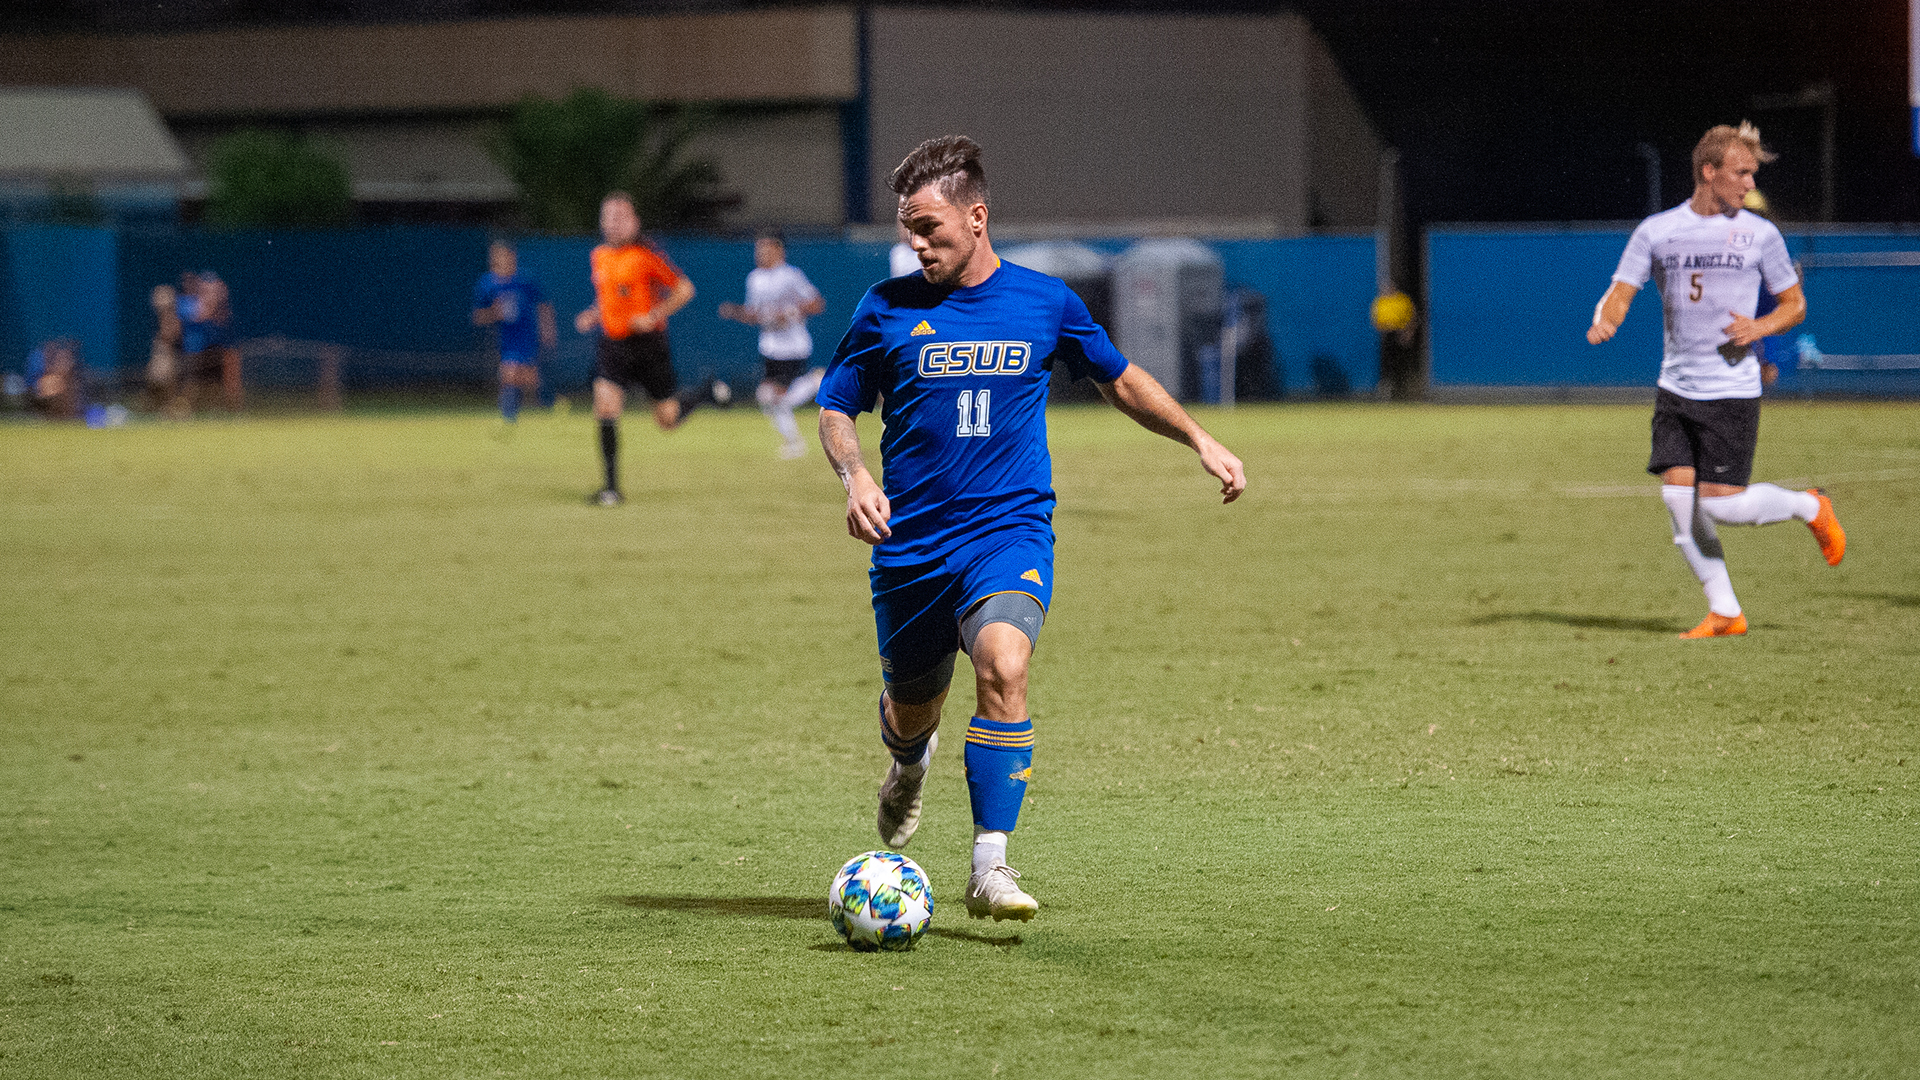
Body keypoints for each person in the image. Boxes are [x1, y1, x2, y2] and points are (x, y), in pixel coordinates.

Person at [817, 136, 1247, 922]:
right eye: (908, 229)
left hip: (1007, 532)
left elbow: (1119, 379)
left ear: (977, 218)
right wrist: (855, 477)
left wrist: (1199, 438)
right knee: (912, 712)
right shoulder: (884, 308)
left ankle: (991, 867)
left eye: (930, 228)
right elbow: (836, 406)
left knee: (1003, 664)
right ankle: (909, 765)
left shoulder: (1046, 302)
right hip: (909, 547)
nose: (916, 244)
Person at [1587, 122, 1845, 638]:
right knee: (1677, 499)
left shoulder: (1761, 235)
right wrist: (1608, 318)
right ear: (1709, 172)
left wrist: (1758, 327)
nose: (1749, 184)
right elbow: (1621, 288)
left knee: (1724, 505)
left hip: (1730, 392)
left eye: (1752, 173)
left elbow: (1795, 305)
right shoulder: (1657, 231)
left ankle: (1809, 505)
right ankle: (1725, 610)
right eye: (1741, 173)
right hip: (1676, 388)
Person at [573, 192, 727, 506]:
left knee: (667, 420)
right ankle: (611, 489)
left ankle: (705, 392)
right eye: (608, 217)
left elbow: (685, 289)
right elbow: (609, 297)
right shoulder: (599, 255)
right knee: (605, 406)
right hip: (613, 345)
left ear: (634, 222)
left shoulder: (646, 256)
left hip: (649, 347)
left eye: (621, 217)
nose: (613, 224)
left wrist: (655, 315)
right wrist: (594, 313)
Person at [719, 230, 827, 458]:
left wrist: (790, 313)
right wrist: (735, 312)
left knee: (777, 398)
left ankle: (816, 383)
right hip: (770, 346)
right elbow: (755, 314)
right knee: (767, 397)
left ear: (779, 250)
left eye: (766, 248)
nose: (760, 253)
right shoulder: (755, 278)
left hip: (794, 346)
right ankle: (794, 442)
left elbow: (817, 303)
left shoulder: (791, 276)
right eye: (758, 248)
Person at [474, 240, 557, 423]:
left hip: (527, 335)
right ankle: (509, 417)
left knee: (528, 377)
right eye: (499, 256)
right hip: (506, 338)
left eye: (507, 256)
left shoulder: (525, 280)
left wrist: (547, 328)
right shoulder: (487, 284)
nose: (504, 260)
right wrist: (494, 313)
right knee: (509, 373)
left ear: (513, 257)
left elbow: (544, 305)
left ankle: (548, 405)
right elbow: (478, 316)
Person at [178, 272, 243, 413]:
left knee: (214, 384)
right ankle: (184, 412)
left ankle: (217, 410)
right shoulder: (185, 302)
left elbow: (222, 319)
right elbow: (200, 315)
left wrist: (220, 298)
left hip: (210, 349)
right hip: (192, 351)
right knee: (191, 384)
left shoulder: (216, 304)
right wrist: (213, 297)